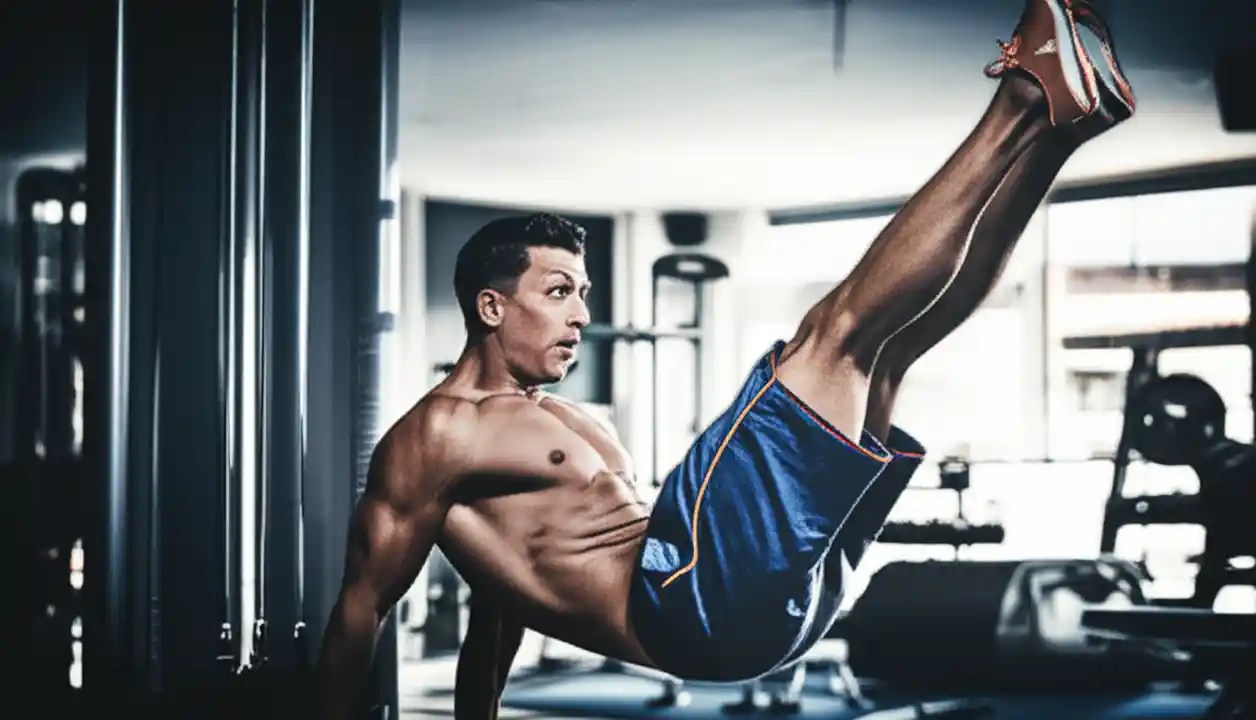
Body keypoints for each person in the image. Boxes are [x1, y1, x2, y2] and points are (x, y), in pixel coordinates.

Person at [313, 0, 1136, 717]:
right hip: (688, 607)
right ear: (492, 307)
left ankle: (1055, 136)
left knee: (891, 351)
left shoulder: (562, 420)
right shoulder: (437, 434)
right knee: (834, 334)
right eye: (559, 291)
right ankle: (1025, 91)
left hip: (773, 609)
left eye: (583, 292)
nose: (581, 313)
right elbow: (362, 608)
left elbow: (502, 606)